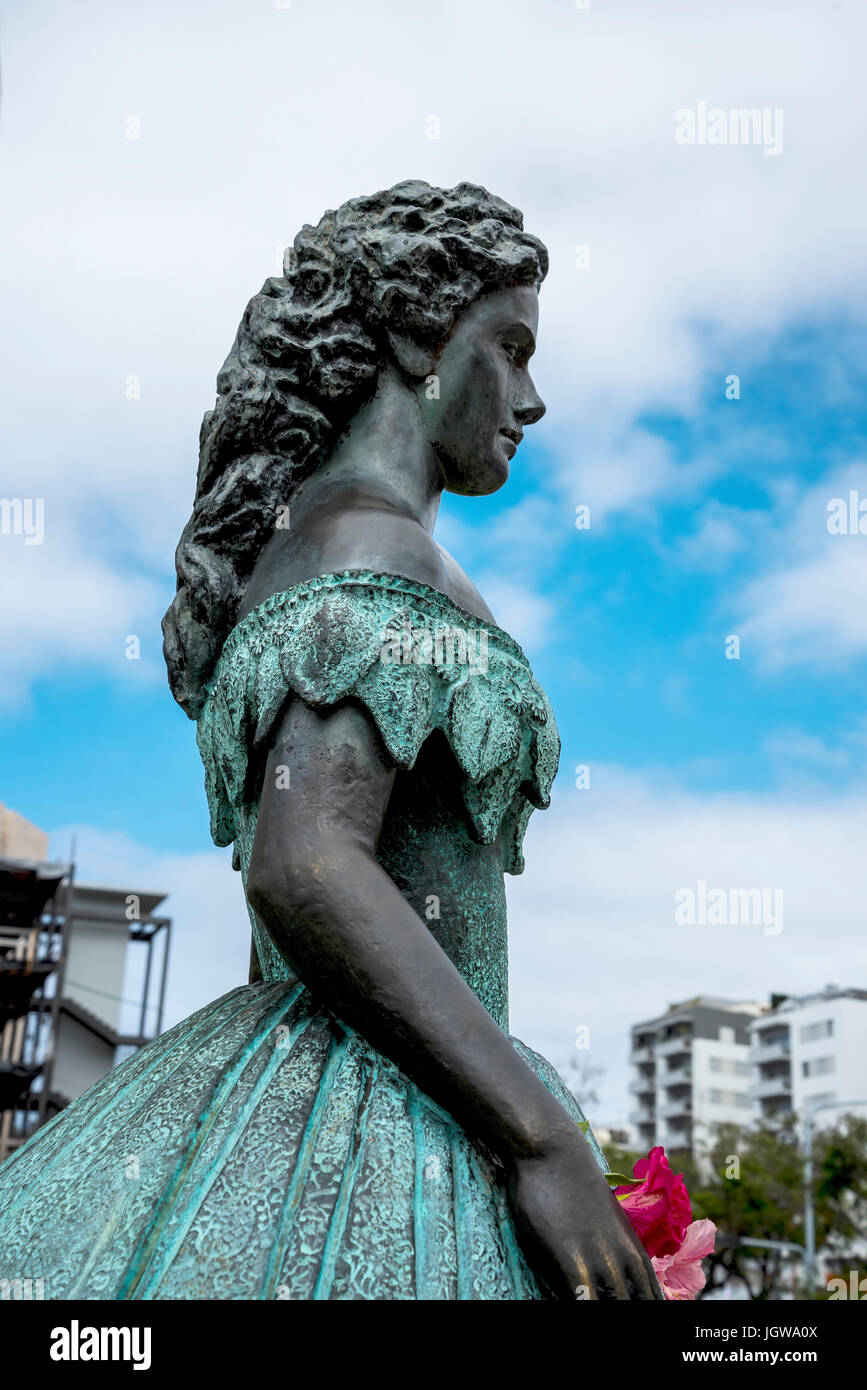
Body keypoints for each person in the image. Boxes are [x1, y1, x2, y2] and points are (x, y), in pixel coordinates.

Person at [0, 181, 660, 1300]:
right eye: (509, 346)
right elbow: (306, 864)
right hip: (384, 1110)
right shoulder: (372, 546)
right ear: (415, 337)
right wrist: (543, 1140)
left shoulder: (316, 541)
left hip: (325, 1090)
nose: (531, 397)